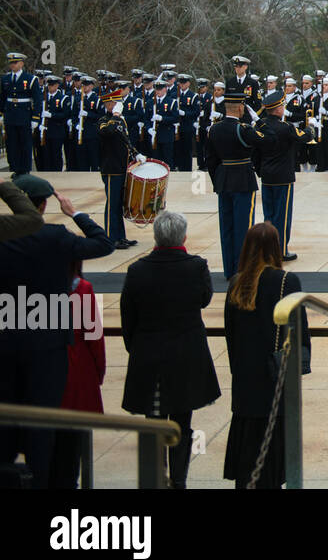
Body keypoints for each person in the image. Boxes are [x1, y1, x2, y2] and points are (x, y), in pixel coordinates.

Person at [0, 175, 114, 487]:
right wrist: (75, 213)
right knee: (43, 422)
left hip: (7, 339)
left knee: (7, 420)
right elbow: (103, 244)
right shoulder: (54, 237)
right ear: (44, 203)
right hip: (48, 344)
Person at [119, 210, 220, 488]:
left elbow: (128, 318)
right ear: (184, 237)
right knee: (181, 425)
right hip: (186, 357)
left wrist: (137, 349)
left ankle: (154, 478)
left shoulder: (137, 271)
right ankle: (179, 480)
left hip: (149, 357)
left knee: (153, 424)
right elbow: (204, 299)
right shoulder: (196, 267)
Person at [223, 222, 311, 488]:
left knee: (248, 460)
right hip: (274, 377)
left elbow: (231, 337)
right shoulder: (287, 281)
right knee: (270, 461)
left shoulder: (236, 283)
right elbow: (300, 332)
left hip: (245, 381)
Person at [48, 248, 106, 489]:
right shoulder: (82, 289)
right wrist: (98, 372)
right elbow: (94, 337)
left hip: (47, 371)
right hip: (76, 372)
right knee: (73, 446)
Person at [206, 88, 270, 279]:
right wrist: (258, 121)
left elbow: (210, 160)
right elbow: (269, 139)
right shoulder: (243, 129)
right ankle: (242, 271)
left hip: (223, 180)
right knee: (243, 228)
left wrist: (217, 181)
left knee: (226, 228)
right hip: (242, 179)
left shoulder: (214, 129)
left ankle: (229, 270)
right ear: (241, 107)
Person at [253, 90, 311, 262]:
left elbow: (255, 152)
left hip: (267, 176)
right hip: (283, 177)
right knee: (282, 215)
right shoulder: (285, 128)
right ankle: (280, 250)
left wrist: (259, 170)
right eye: (282, 106)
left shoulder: (260, 126)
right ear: (278, 109)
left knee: (269, 215)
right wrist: (311, 127)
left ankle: (267, 249)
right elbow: (305, 137)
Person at [97, 82, 143, 250]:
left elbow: (124, 139)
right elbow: (106, 133)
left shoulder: (119, 120)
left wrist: (135, 153)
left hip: (122, 167)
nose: (119, 106)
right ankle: (110, 237)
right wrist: (116, 116)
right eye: (116, 103)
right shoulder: (104, 120)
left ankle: (120, 236)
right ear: (109, 105)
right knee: (112, 204)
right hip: (111, 169)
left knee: (118, 204)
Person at [1, 52, 40, 175]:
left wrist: (35, 118)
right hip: (10, 116)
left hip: (24, 115)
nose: (12, 65)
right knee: (11, 144)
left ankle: (24, 170)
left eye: (15, 62)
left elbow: (37, 100)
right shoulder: (5, 79)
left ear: (22, 63)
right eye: (11, 63)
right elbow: (2, 98)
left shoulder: (30, 79)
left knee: (24, 144)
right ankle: (14, 168)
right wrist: (1, 114)